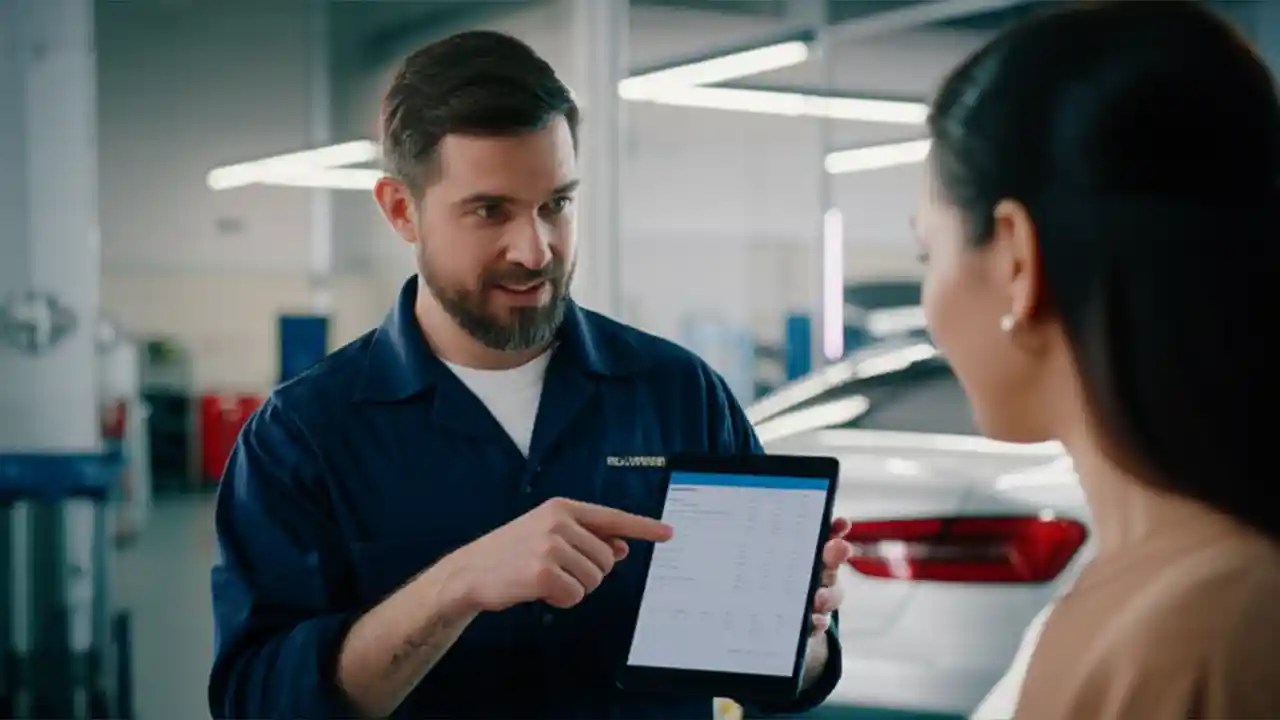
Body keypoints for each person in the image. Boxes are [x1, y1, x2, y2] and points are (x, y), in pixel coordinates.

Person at [208, 30, 849, 719]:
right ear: (401, 210)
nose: (535, 250)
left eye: (556, 205)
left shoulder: (679, 394)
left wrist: (797, 634)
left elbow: (787, 678)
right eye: (490, 211)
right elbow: (256, 701)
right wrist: (455, 586)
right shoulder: (303, 435)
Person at [913, 1, 1279, 718]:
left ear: (1016, 258)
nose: (930, 306)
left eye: (928, 252)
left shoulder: (1203, 635)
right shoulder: (1184, 591)